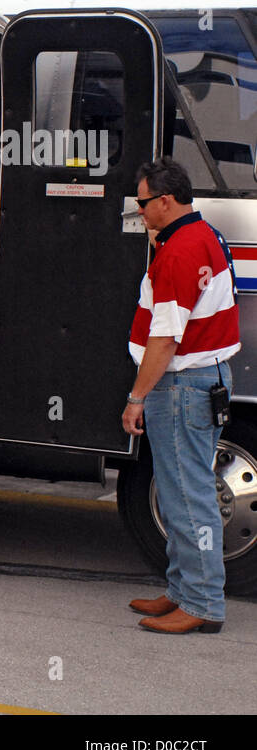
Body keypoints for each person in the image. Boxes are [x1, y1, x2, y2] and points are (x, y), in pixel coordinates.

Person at [122, 157, 239, 634]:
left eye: (144, 203)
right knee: (176, 495)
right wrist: (161, 240)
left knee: (187, 499)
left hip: (181, 386)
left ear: (165, 201)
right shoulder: (201, 235)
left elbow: (165, 339)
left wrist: (135, 398)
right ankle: (181, 590)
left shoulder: (177, 255)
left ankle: (203, 604)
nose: (139, 210)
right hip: (205, 380)